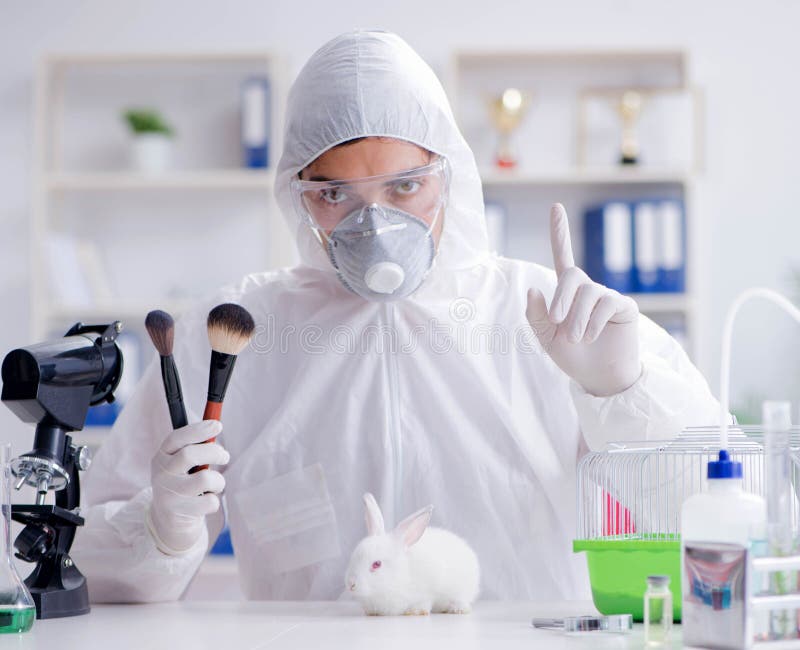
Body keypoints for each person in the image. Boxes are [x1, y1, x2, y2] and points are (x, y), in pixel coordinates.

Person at [71, 30, 720, 603]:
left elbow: (714, 517)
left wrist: (623, 393)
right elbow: (87, 570)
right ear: (298, 196)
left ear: (448, 176)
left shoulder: (549, 314)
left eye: (405, 186)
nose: (375, 225)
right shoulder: (235, 333)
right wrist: (163, 526)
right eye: (334, 193)